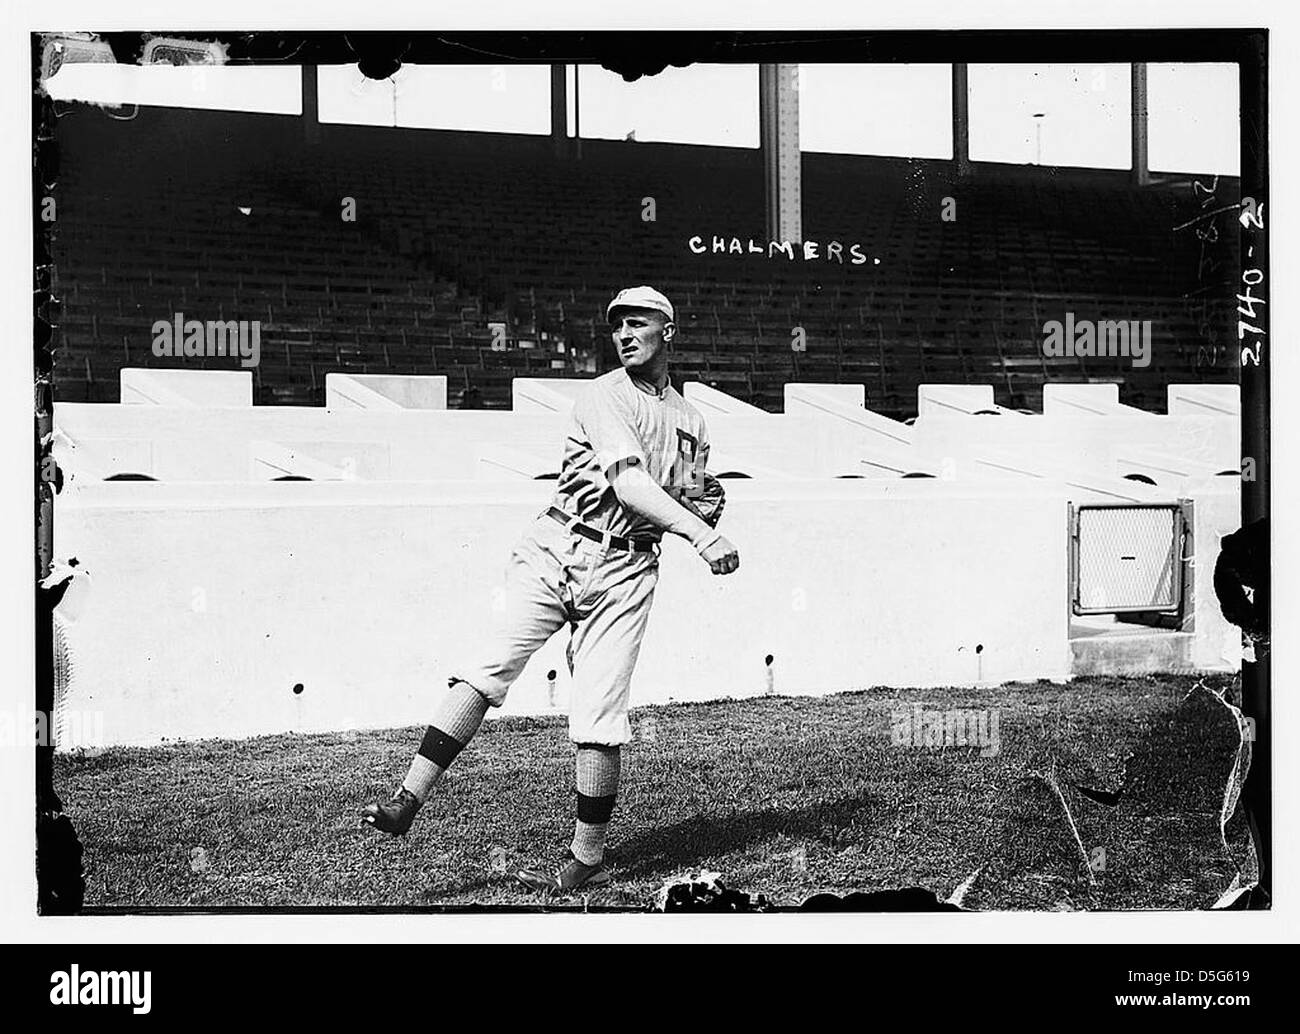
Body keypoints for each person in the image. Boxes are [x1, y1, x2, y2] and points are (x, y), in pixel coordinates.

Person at [361, 285, 740, 894]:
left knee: (599, 715)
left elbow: (685, 489)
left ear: (668, 331)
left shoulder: (692, 420)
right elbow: (631, 484)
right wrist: (701, 533)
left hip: (628, 569)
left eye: (637, 323)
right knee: (487, 669)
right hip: (557, 546)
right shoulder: (603, 394)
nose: (623, 334)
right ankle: (408, 798)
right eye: (616, 324)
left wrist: (703, 502)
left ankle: (588, 855)